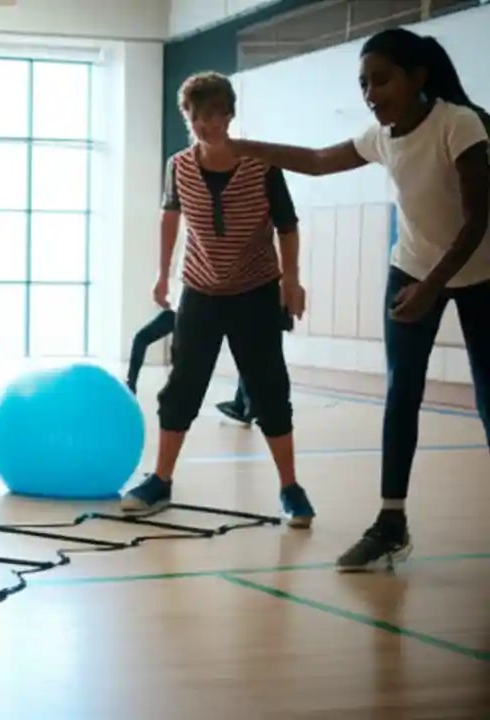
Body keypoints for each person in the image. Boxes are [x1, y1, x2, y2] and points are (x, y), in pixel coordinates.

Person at [224, 28, 489, 572]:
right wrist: (245, 147)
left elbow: (477, 221)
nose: (371, 92)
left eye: (381, 79)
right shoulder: (382, 136)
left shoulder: (458, 124)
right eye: (363, 83)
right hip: (411, 267)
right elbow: (320, 159)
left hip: (479, 271)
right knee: (401, 395)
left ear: (417, 77)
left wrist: (432, 288)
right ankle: (391, 523)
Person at [120, 71, 316, 528]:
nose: (206, 126)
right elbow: (170, 216)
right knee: (183, 386)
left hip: (255, 290)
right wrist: (161, 273)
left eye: (215, 116)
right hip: (201, 290)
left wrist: (292, 281)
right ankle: (161, 481)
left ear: (229, 115)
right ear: (187, 118)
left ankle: (290, 487)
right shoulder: (179, 165)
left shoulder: (262, 163)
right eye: (196, 117)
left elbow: (287, 225)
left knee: (268, 388)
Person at [126, 307, 255, 424]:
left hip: (191, 311)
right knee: (148, 341)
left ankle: (242, 405)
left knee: (242, 352)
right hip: (183, 310)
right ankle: (242, 404)